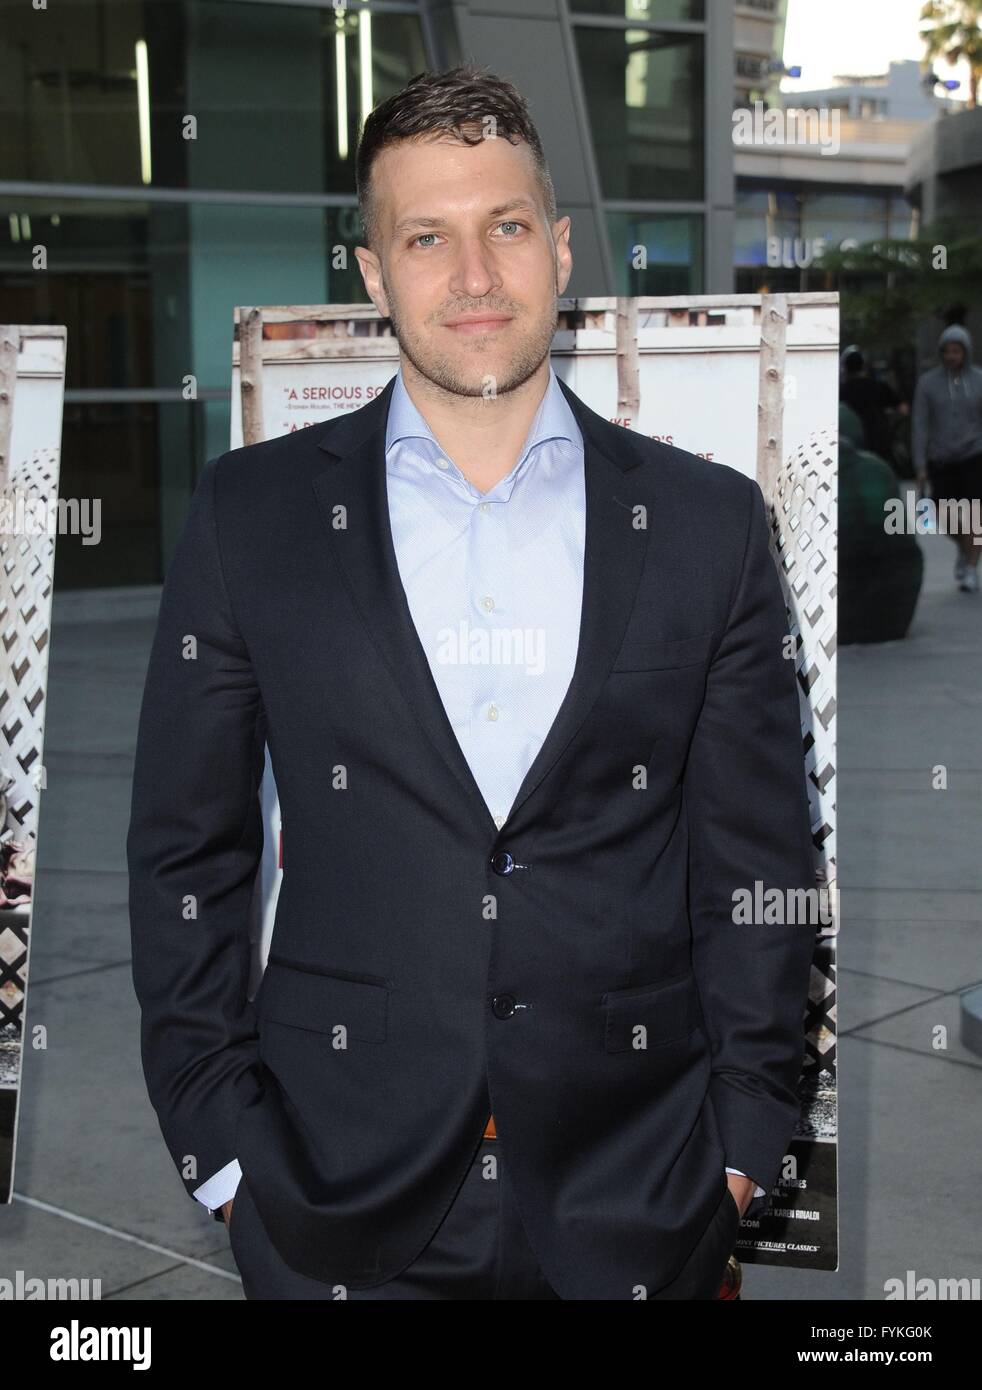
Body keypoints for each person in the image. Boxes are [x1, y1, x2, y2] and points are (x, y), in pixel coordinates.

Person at [127, 65, 817, 1301]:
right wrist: (223, 1150)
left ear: (558, 250)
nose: (475, 274)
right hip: (330, 1192)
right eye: (426, 237)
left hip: (642, 1192)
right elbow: (186, 851)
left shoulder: (708, 522)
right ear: (375, 275)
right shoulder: (253, 515)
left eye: (504, 226)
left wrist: (743, 1147)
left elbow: (761, 862)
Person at [912, 324, 982, 592]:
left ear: (966, 352)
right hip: (941, 457)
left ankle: (972, 568)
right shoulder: (928, 383)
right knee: (942, 515)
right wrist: (919, 465)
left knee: (977, 517)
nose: (952, 356)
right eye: (948, 351)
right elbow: (920, 424)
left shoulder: (978, 381)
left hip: (975, 455)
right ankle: (966, 549)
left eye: (957, 351)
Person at [839, 345, 903, 469]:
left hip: (851, 444)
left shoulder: (842, 391)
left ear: (845, 368)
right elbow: (902, 408)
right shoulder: (878, 387)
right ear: (863, 366)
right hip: (879, 442)